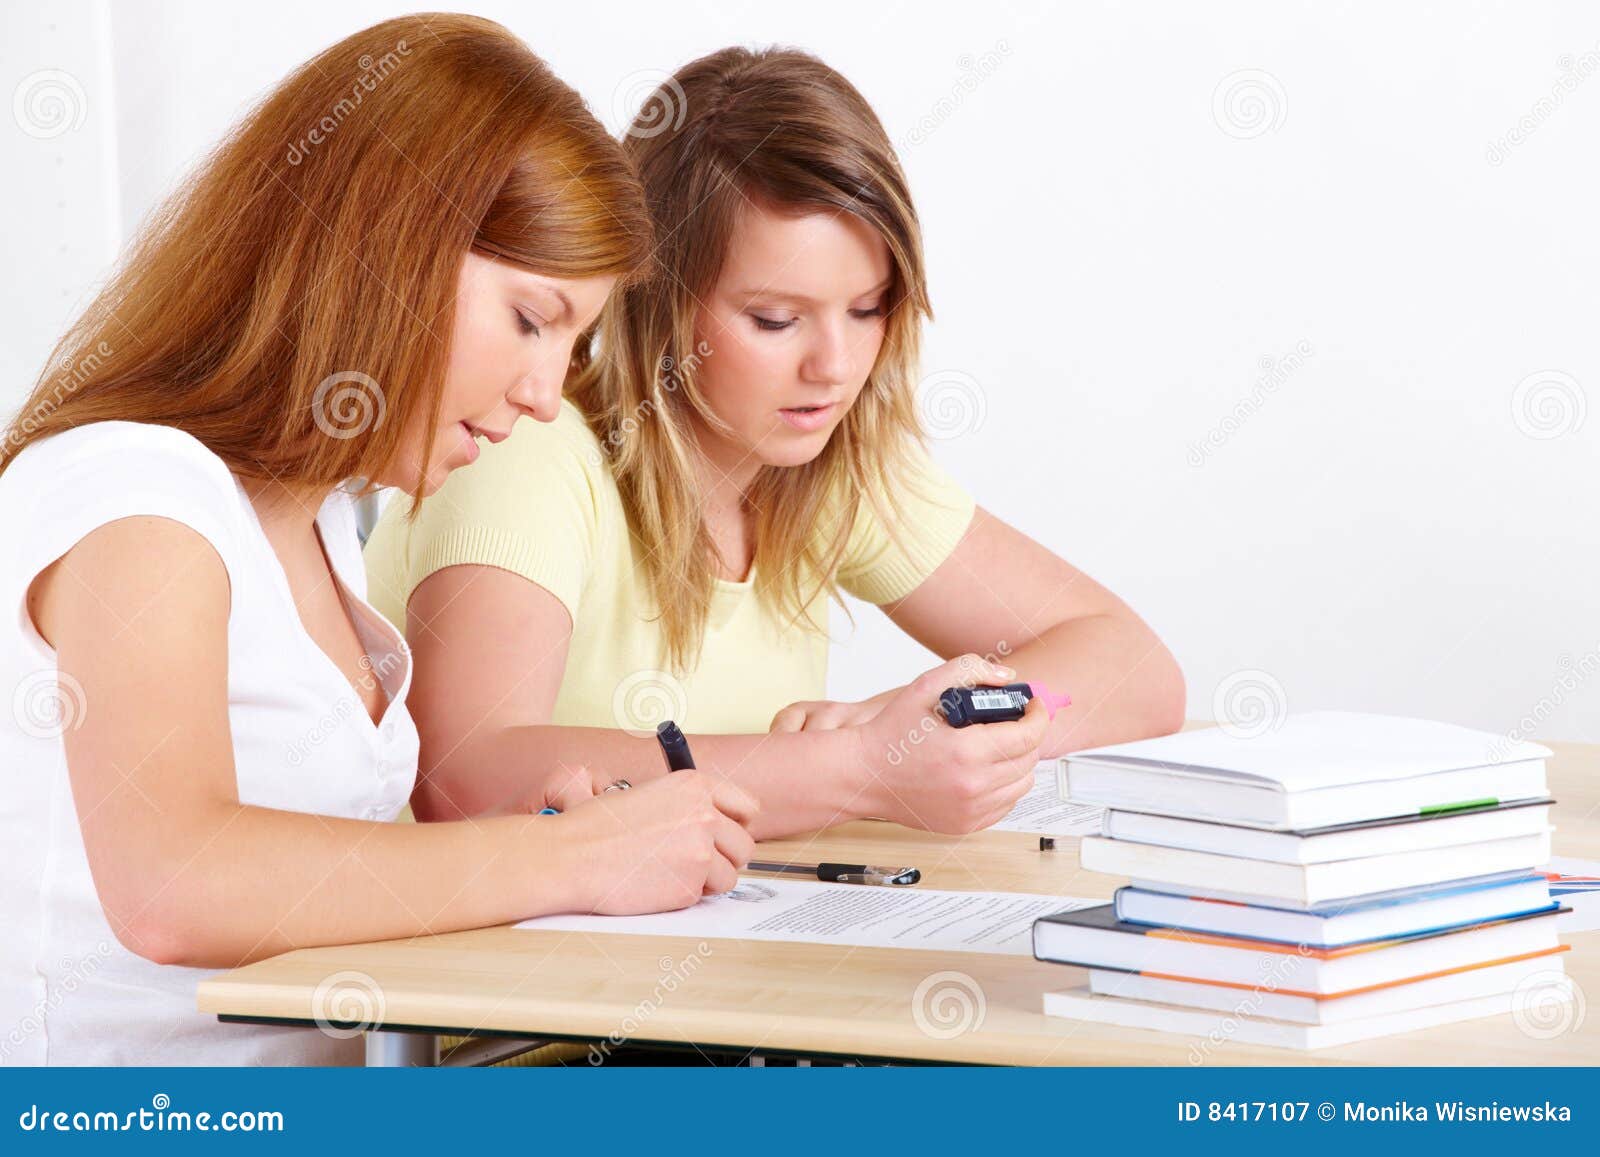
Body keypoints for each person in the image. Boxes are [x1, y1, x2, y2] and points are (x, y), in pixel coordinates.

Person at [0, 14, 755, 1067]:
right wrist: (566, 858)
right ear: (383, 249)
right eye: (532, 318)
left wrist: (539, 842)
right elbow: (173, 884)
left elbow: (310, 870)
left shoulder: (318, 528)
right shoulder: (135, 493)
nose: (547, 394)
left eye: (573, 342)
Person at [364, 46, 1185, 841]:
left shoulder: (830, 464)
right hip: (491, 973)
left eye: (868, 308)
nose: (834, 366)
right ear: (658, 303)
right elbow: (466, 777)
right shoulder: (527, 450)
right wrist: (859, 767)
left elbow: (1137, 670)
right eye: (775, 320)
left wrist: (941, 729)